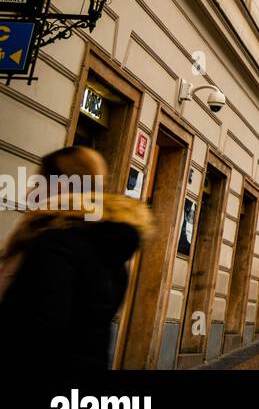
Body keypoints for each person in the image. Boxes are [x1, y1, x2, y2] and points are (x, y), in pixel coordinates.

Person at [0, 146, 153, 370]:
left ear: (60, 185)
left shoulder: (55, 244)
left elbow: (35, 331)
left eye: (38, 183)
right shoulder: (109, 248)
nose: (30, 193)